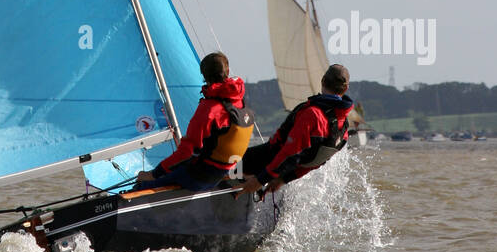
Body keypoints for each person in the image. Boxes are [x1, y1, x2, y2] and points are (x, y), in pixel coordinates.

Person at [133, 52, 254, 192]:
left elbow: (186, 151)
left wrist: (153, 174)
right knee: (183, 166)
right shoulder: (239, 102)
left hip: (202, 178)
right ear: (226, 71)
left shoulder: (209, 109)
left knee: (143, 186)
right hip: (230, 172)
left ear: (204, 76)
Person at [239, 63, 354, 194]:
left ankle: (221, 178)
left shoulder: (312, 114)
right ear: (345, 89)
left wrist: (259, 181)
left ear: (322, 80)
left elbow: (290, 154)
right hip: (282, 170)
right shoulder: (343, 129)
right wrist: (283, 179)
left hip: (268, 160)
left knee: (229, 160)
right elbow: (315, 161)